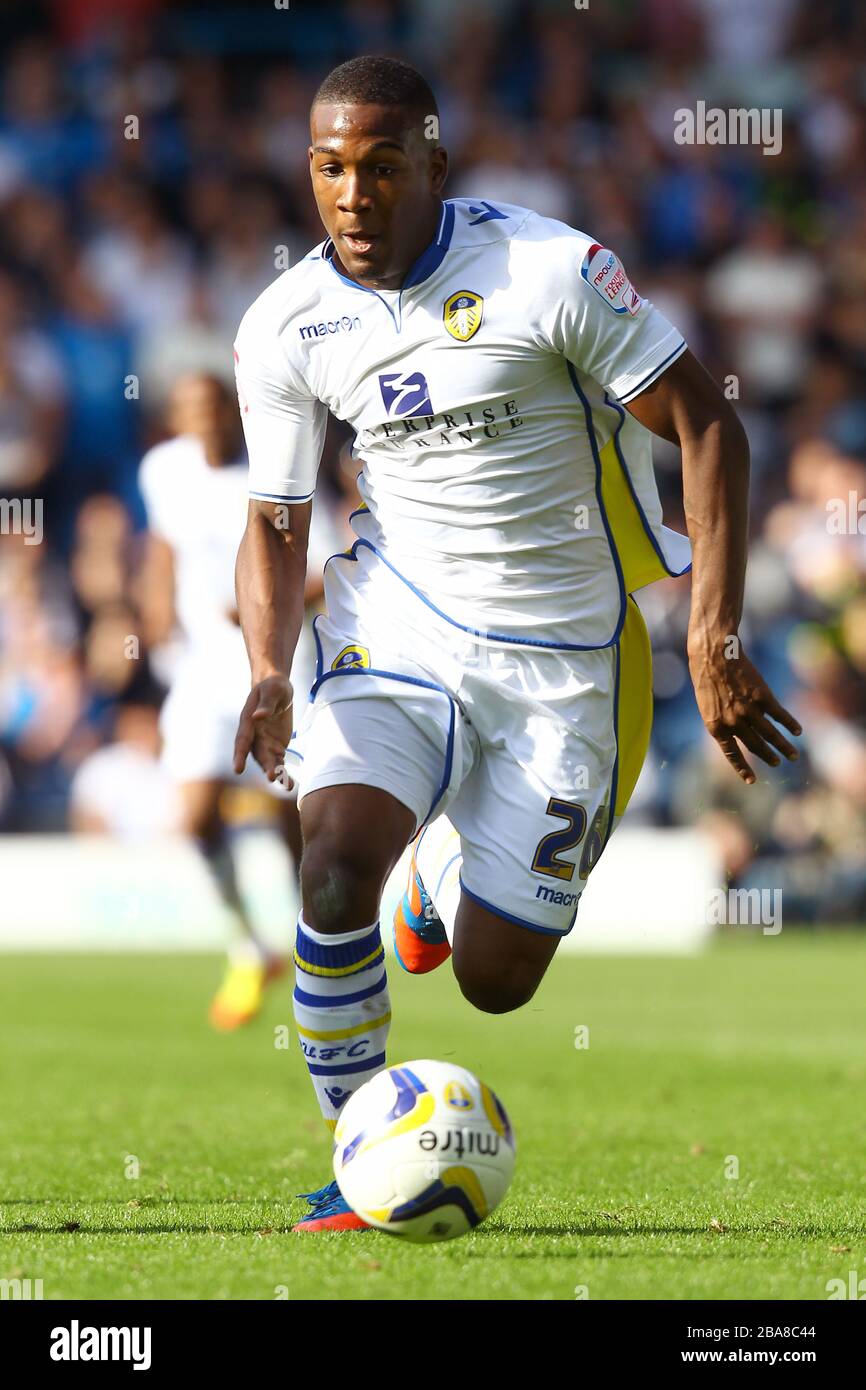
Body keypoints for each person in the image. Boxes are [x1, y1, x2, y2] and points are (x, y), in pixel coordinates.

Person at [231, 56, 802, 1232]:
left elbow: (707, 425)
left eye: (383, 167)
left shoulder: (549, 271)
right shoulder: (283, 324)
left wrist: (710, 629)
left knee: (495, 982)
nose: (353, 193)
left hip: (560, 658)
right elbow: (278, 520)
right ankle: (357, 1155)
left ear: (434, 168)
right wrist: (262, 669)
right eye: (331, 168)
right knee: (332, 868)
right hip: (395, 624)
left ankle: (445, 872)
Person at [139, 372, 332, 1029]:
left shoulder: (277, 472)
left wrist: (257, 605)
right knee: (194, 816)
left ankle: (314, 941)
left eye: (215, 406)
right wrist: (157, 601)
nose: (205, 419)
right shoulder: (163, 469)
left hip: (271, 670)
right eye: (190, 408)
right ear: (178, 417)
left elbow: (328, 568)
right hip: (198, 672)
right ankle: (250, 946)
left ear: (235, 410)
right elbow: (164, 541)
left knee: (288, 821)